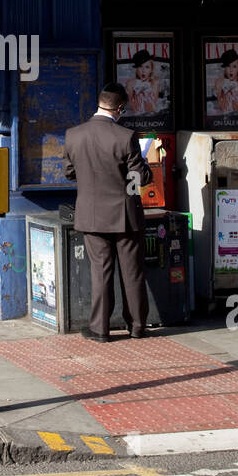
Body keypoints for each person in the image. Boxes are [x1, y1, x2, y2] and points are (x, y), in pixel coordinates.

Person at [62, 83, 151, 341]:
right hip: (125, 216)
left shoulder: (73, 134)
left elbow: (69, 173)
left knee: (101, 271)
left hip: (91, 215)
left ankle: (100, 329)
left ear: (100, 103)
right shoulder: (126, 136)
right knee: (131, 272)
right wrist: (143, 162)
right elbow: (139, 177)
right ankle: (136, 327)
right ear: (120, 108)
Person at [124, 49, 165, 117]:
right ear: (136, 69)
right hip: (137, 115)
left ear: (151, 70)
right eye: (140, 66)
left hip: (151, 114)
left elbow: (154, 101)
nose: (143, 71)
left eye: (147, 67)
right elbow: (130, 102)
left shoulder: (155, 82)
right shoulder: (131, 83)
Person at [214, 48, 238, 114]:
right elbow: (221, 107)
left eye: (234, 66)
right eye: (228, 66)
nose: (231, 70)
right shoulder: (220, 83)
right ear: (225, 68)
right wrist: (225, 92)